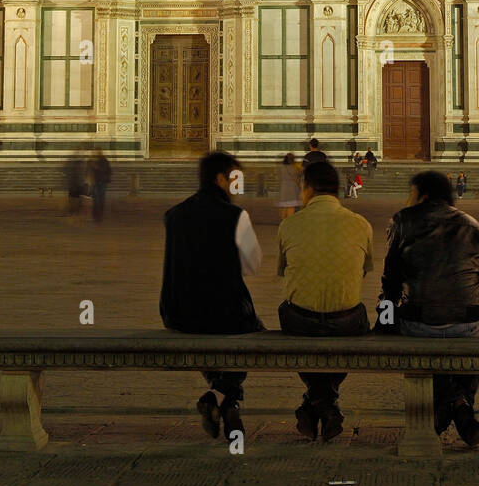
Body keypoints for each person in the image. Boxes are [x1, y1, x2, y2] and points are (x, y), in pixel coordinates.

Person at [376, 170, 479, 448]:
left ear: (421, 194)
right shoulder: (473, 225)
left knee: (427, 335)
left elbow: (391, 281)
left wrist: (384, 320)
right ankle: (461, 402)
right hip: (467, 323)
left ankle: (447, 405)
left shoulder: (402, 221)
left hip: (419, 323)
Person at [160, 151, 263, 441]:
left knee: (208, 331)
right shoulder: (235, 216)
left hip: (177, 313)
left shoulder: (174, 215)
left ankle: (223, 397)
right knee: (251, 329)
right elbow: (252, 265)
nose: (236, 185)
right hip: (226, 314)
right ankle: (225, 396)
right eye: (234, 179)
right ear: (220, 179)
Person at [277, 159, 373, 442]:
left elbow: (283, 273)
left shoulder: (290, 225)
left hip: (299, 322)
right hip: (346, 322)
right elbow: (362, 272)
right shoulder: (361, 224)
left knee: (291, 311)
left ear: (307, 188)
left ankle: (316, 403)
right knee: (355, 316)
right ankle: (325, 403)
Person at [278, 153, 302, 218]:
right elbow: (299, 175)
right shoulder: (295, 167)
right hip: (293, 188)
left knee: (284, 208)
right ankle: (288, 223)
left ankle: (283, 223)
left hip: (284, 188)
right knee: (291, 207)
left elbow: (279, 177)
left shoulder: (282, 167)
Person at [92, 150, 112, 222]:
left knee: (98, 199)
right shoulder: (102, 160)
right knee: (98, 198)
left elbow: (106, 170)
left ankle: (98, 215)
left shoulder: (102, 161)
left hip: (100, 181)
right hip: (99, 182)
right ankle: (98, 215)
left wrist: (97, 168)